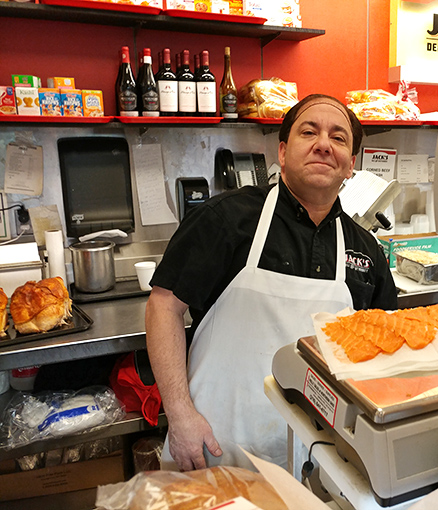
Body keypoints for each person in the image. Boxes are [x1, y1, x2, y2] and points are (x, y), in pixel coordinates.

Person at [145, 93, 398, 471]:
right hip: (216, 445)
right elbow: (163, 306)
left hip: (320, 457)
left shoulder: (366, 251)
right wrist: (179, 414)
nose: (324, 145)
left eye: (339, 138)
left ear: (351, 166)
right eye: (309, 132)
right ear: (282, 152)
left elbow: (384, 348)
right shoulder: (226, 219)